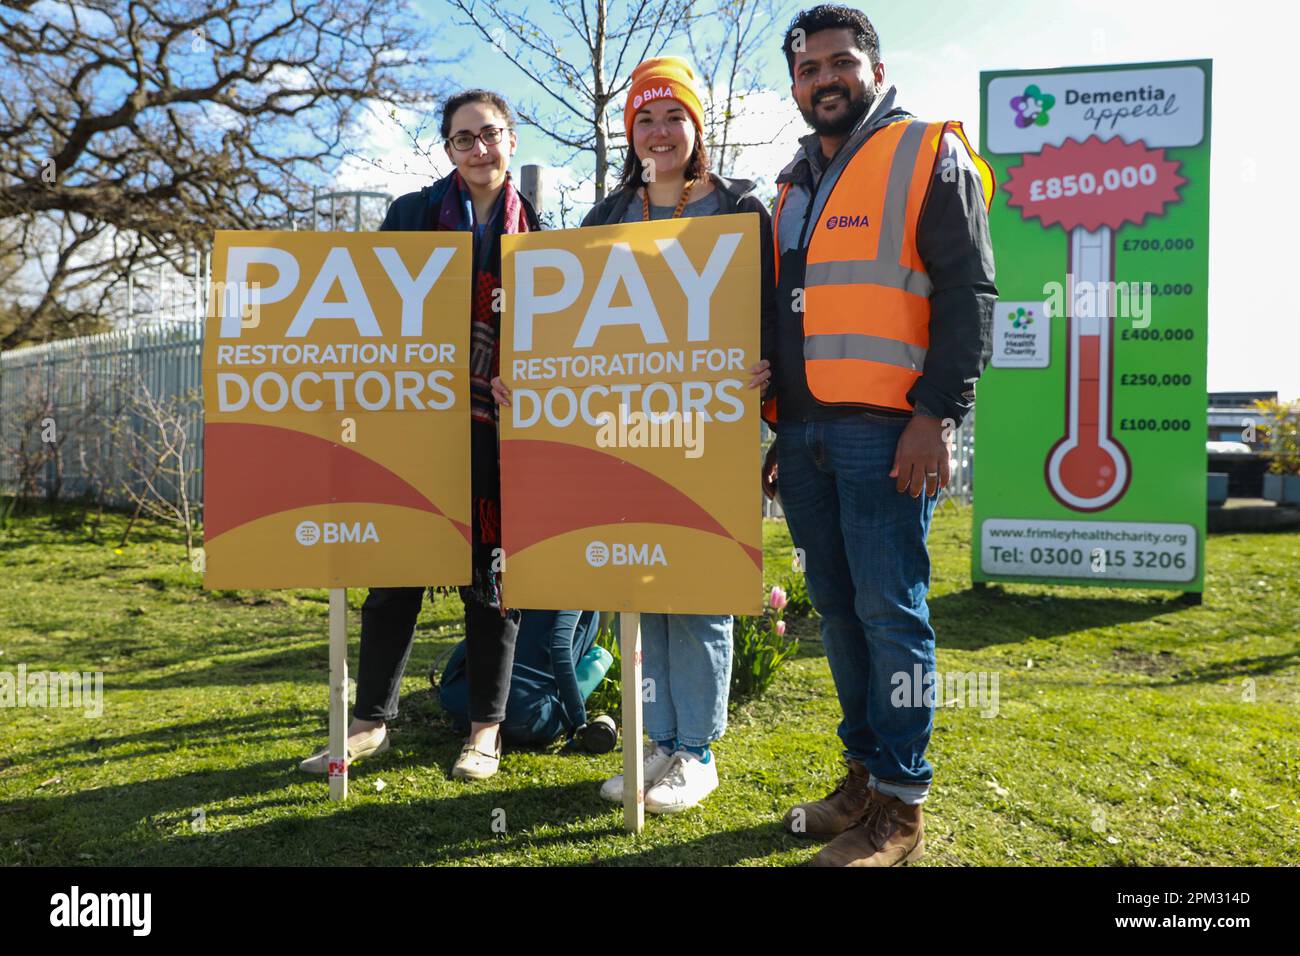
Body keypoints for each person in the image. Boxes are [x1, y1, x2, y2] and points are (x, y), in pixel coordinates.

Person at [495, 56, 774, 813]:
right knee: (643, 585)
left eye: (673, 117)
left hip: (705, 428)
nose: (660, 132)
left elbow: (771, 313)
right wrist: (523, 376)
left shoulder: (743, 208)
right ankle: (655, 740)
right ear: (630, 133)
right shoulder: (606, 218)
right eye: (645, 119)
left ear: (696, 127)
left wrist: (769, 366)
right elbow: (567, 326)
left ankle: (698, 752)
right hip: (622, 429)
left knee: (702, 583)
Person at [763, 6, 997, 865]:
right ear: (794, 83)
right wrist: (776, 425)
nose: (824, 78)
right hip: (807, 437)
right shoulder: (790, 184)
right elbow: (786, 316)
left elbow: (970, 292)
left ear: (873, 65)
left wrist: (936, 414)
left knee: (891, 616)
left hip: (891, 433)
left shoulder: (926, 150)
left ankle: (901, 805)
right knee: (839, 614)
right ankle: (862, 776)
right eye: (808, 67)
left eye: (840, 61)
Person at [298, 89, 552, 782]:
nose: (479, 149)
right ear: (446, 149)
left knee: (494, 581)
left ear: (512, 140)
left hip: (500, 432)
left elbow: (559, 337)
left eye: (491, 134)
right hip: (416, 425)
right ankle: (369, 720)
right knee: (396, 572)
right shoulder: (410, 216)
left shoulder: (544, 231)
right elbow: (378, 315)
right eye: (464, 138)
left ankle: (485, 729)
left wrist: (526, 378)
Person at [436, 609, 614, 750]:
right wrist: (580, 722)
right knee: (600, 658)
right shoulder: (576, 586)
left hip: (459, 700)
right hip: (525, 717)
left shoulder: (506, 576)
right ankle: (573, 711)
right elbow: (561, 648)